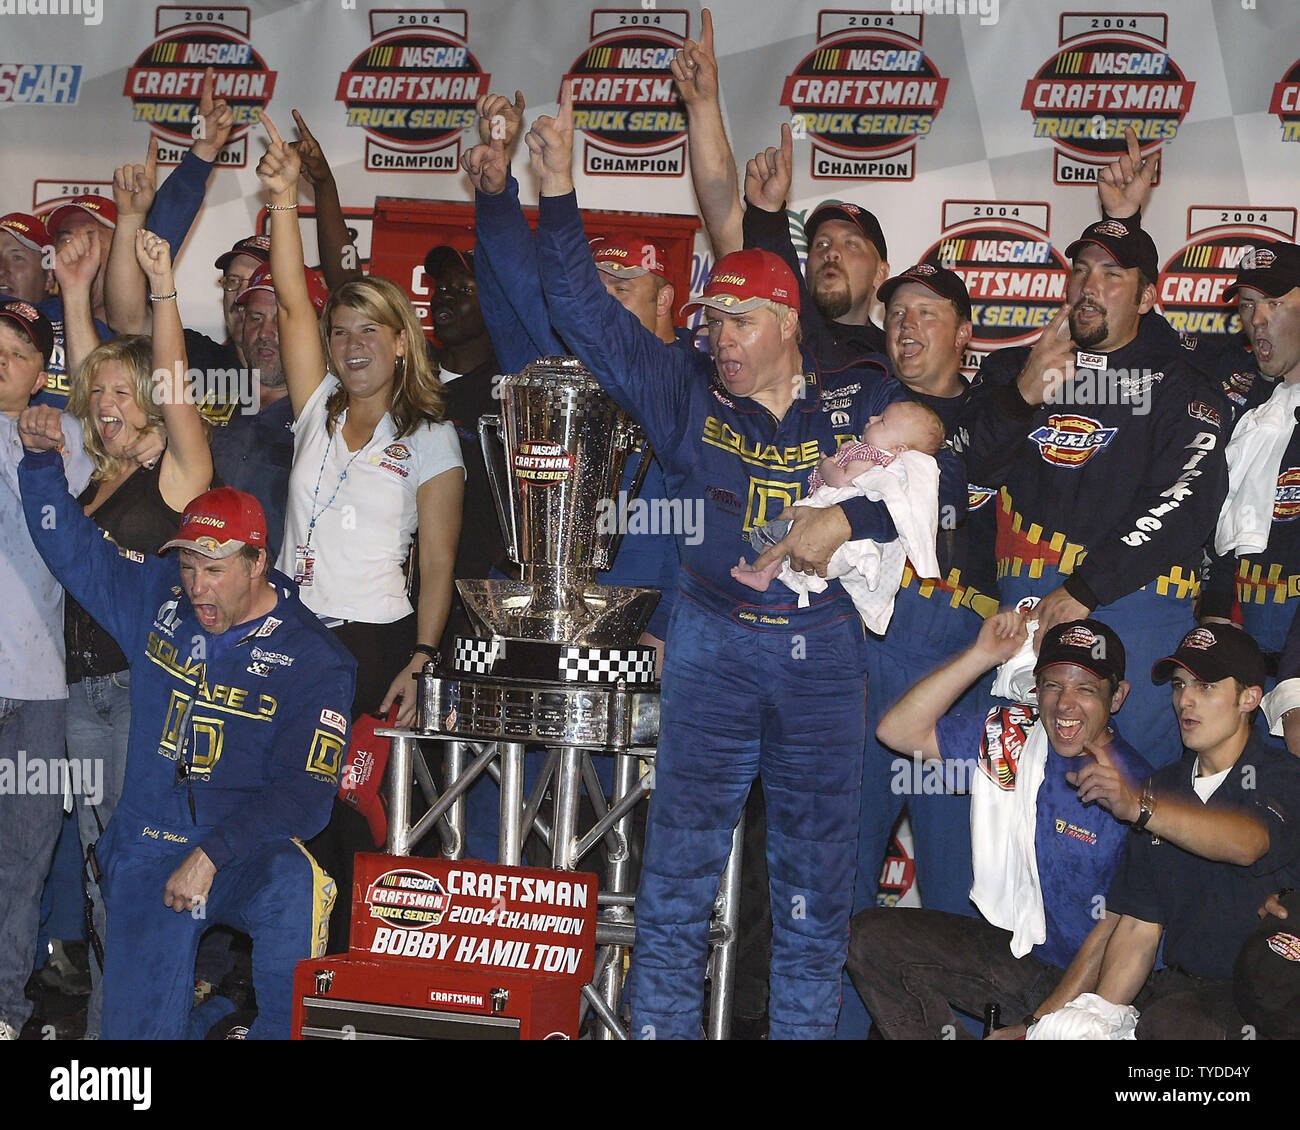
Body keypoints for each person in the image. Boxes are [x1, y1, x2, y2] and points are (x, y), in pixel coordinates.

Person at [525, 79, 961, 1039]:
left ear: (787, 325)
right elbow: (580, 312)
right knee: (674, 889)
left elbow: (948, 483)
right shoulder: (684, 391)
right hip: (715, 648)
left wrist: (854, 527)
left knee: (811, 899)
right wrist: (557, 192)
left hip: (819, 661)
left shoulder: (857, 394)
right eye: (712, 320)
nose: (719, 337)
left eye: (739, 322)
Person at [16, 456, 353, 1039]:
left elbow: (306, 795)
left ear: (258, 564)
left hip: (243, 847)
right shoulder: (159, 598)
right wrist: (42, 467)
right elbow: (77, 552)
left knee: (296, 884)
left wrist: (213, 854)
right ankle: (216, 1022)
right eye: (190, 566)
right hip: (150, 846)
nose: (198, 585)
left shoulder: (316, 659)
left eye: (216, 569)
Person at [256, 114, 464, 952]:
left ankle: (350, 982)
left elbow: (441, 560)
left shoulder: (430, 431)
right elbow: (287, 298)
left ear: (400, 340)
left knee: (357, 828)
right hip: (290, 632)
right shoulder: (315, 408)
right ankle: (284, 981)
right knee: (281, 818)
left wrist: (420, 657)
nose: (349, 344)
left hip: (374, 648)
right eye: (340, 332)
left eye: (368, 330)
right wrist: (281, 202)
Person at [962, 211, 1230, 764]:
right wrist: (1022, 397)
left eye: (1112, 276)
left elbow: (1187, 503)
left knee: (1136, 790)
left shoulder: (1180, 382)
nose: (1089, 288)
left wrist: (1086, 587)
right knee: (1023, 792)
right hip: (1025, 606)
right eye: (1081, 271)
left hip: (1137, 604)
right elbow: (967, 471)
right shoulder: (1017, 368)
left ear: (1147, 297)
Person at [848, 614, 1154, 1038]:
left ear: (1117, 697)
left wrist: (1036, 1027)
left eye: (1085, 689)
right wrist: (981, 655)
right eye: (1053, 685)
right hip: (1018, 956)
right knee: (871, 939)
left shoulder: (1137, 789)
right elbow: (897, 730)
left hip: (1094, 989)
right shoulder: (1013, 735)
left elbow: (1115, 939)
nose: (1065, 704)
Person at [61, 229, 214, 1038]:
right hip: (82, 694)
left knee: (133, 867)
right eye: (100, 398)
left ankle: (140, 1030)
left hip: (139, 693)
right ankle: (106, 1028)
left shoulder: (178, 469)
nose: (107, 405)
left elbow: (167, 384)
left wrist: (160, 289)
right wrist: (76, 286)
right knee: (96, 873)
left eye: (126, 394)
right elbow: (94, 379)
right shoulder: (101, 474)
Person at [1029, 624, 1300, 1040]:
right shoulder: (1163, 785)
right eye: (1179, 685)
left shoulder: (1282, 774)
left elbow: (1249, 842)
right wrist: (1096, 1017)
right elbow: (1139, 924)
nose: (1185, 700)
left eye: (1206, 685)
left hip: (1272, 997)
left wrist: (1141, 807)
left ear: (1249, 698)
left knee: (1170, 1024)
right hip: (1184, 991)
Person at [0, 299, 94, 1040]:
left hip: (39, 687)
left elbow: (108, 419)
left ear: (42, 372)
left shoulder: (61, 434)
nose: (2, 356)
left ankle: (3, 1007)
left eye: (18, 349)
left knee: (25, 862)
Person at [731, 400, 944, 623]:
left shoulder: (870, 456)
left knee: (781, 533)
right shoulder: (880, 459)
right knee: (783, 538)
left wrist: (825, 466)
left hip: (831, 528)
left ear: (898, 449)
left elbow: (842, 481)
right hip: (835, 541)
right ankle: (767, 572)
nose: (871, 419)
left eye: (882, 421)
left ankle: (762, 571)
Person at [1203, 242, 1300, 665]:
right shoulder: (1232, 382)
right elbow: (1141, 345)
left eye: (1275, 303)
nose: (1257, 320)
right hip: (1241, 647)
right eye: (1247, 304)